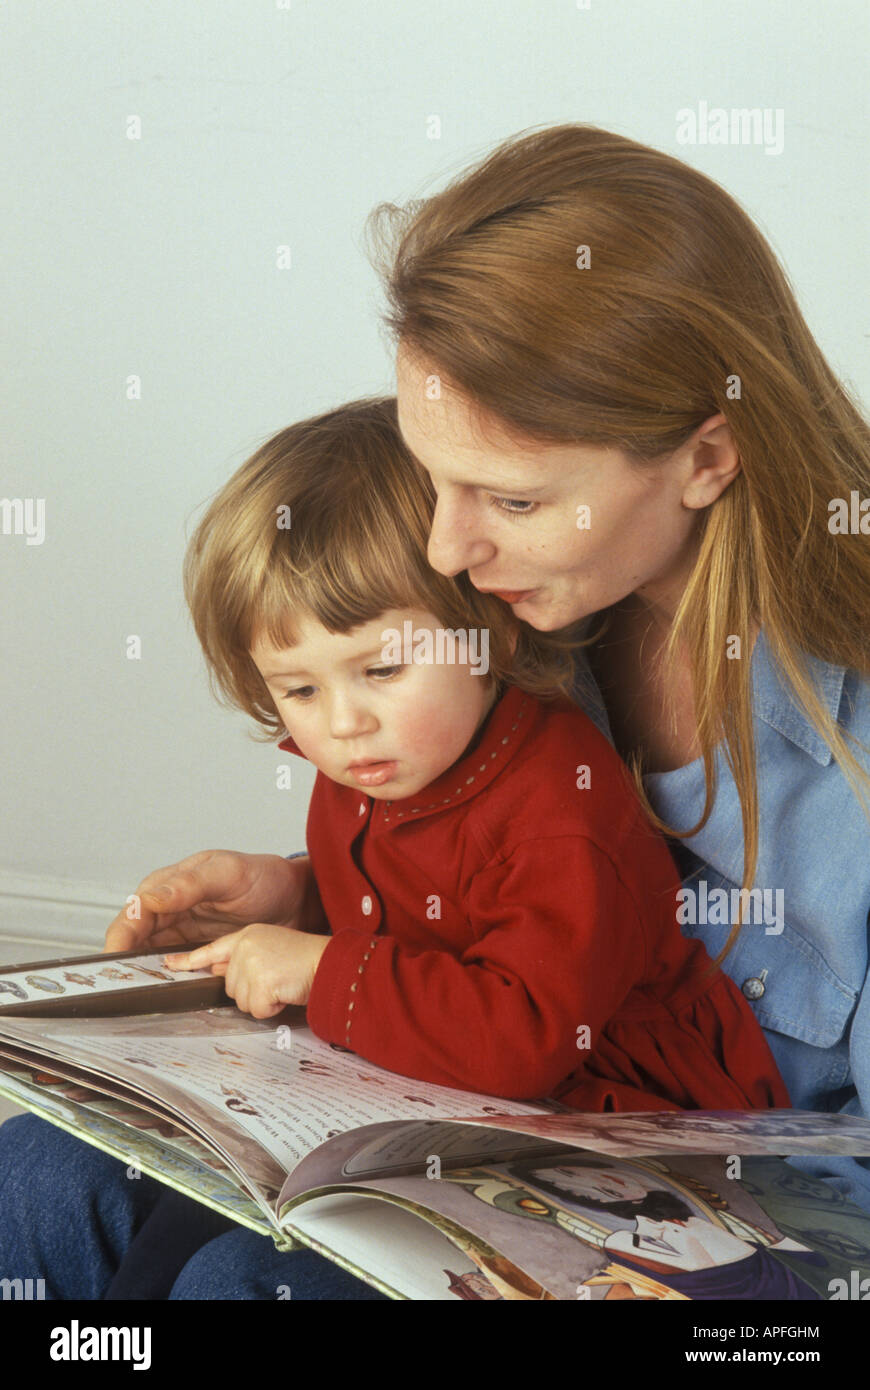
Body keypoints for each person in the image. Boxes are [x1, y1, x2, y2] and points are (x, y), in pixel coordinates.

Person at [0, 394, 788, 1300]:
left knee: (235, 1279)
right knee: (29, 1168)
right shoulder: (387, 760)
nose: (342, 725)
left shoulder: (561, 800)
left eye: (382, 669)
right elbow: (418, 913)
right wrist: (293, 898)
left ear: (484, 628)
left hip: (612, 1132)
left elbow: (525, 1034)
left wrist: (320, 969)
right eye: (296, 689)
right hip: (414, 1104)